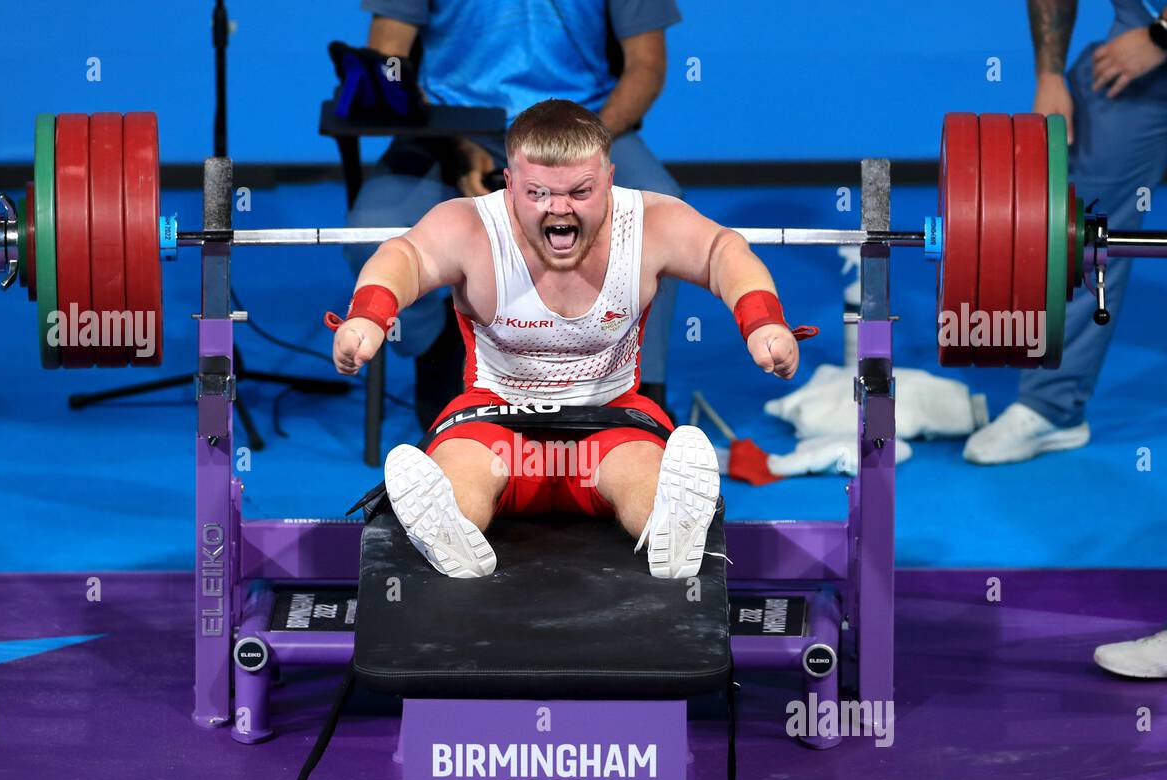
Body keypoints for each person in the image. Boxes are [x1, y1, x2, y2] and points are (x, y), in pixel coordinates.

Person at [330, 100, 809, 579]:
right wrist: (369, 317)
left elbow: (722, 251)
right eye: (537, 192)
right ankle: (448, 530)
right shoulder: (472, 226)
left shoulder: (647, 223)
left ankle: (672, 526)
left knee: (644, 478)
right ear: (509, 182)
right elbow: (405, 257)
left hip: (609, 424)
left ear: (609, 178)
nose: (559, 209)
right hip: (496, 423)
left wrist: (762, 321)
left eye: (580, 191)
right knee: (460, 477)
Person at [343, 0, 684, 428]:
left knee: (658, 217)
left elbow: (646, 67)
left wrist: (579, 152)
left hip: (582, 125)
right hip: (453, 127)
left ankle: (639, 392)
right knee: (373, 230)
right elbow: (388, 61)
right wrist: (457, 146)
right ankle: (440, 349)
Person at [964, 0, 1167, 464]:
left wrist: (1165, 32)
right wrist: (1048, 76)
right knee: (1080, 214)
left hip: (1162, 30)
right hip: (1151, 32)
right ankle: (1052, 405)